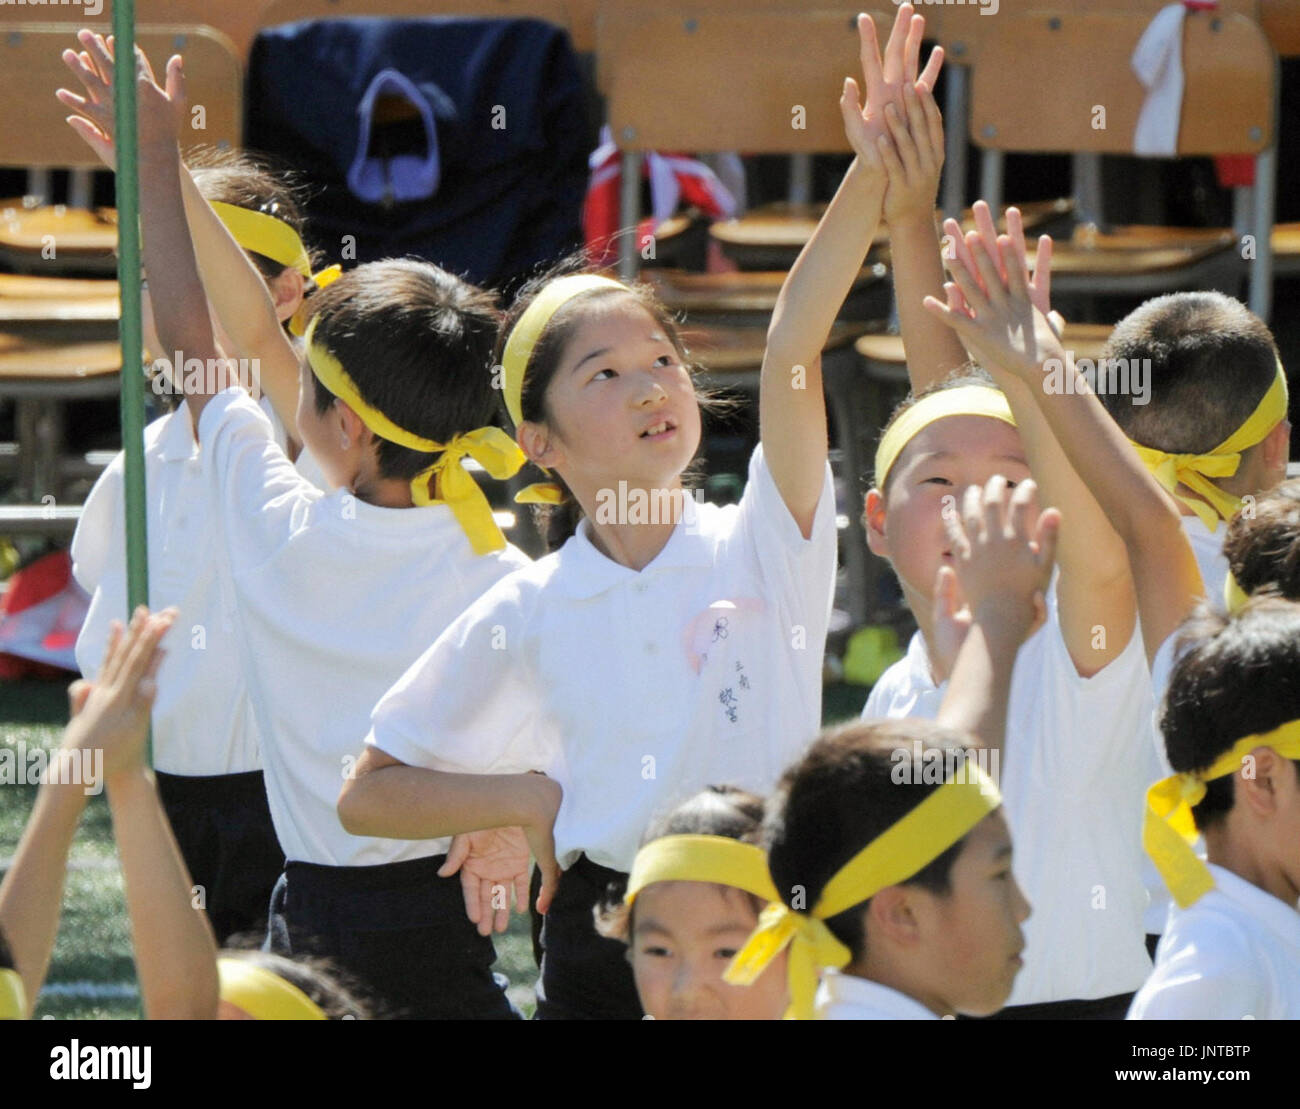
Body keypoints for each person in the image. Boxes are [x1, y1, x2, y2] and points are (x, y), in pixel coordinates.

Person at [339, 6, 942, 1020]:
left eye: (662, 360)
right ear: (540, 441)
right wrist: (522, 799)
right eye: (606, 372)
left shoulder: (763, 540)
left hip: (764, 927)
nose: (652, 387)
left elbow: (793, 343)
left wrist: (871, 174)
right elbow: (369, 788)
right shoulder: (531, 601)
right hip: (595, 948)